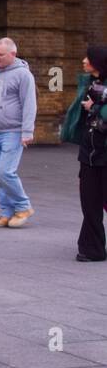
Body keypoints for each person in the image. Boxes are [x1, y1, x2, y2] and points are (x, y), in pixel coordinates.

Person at [0, 37, 37, 228]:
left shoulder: (23, 75)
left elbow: (29, 103)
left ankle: (23, 206)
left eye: (0, 55)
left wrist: (27, 132)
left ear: (12, 54)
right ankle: (6, 212)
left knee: (6, 172)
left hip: (12, 132)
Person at [73, 46, 107, 262]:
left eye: (89, 58)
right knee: (89, 202)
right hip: (89, 155)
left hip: (105, 154)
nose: (84, 60)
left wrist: (94, 108)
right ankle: (92, 247)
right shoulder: (90, 85)